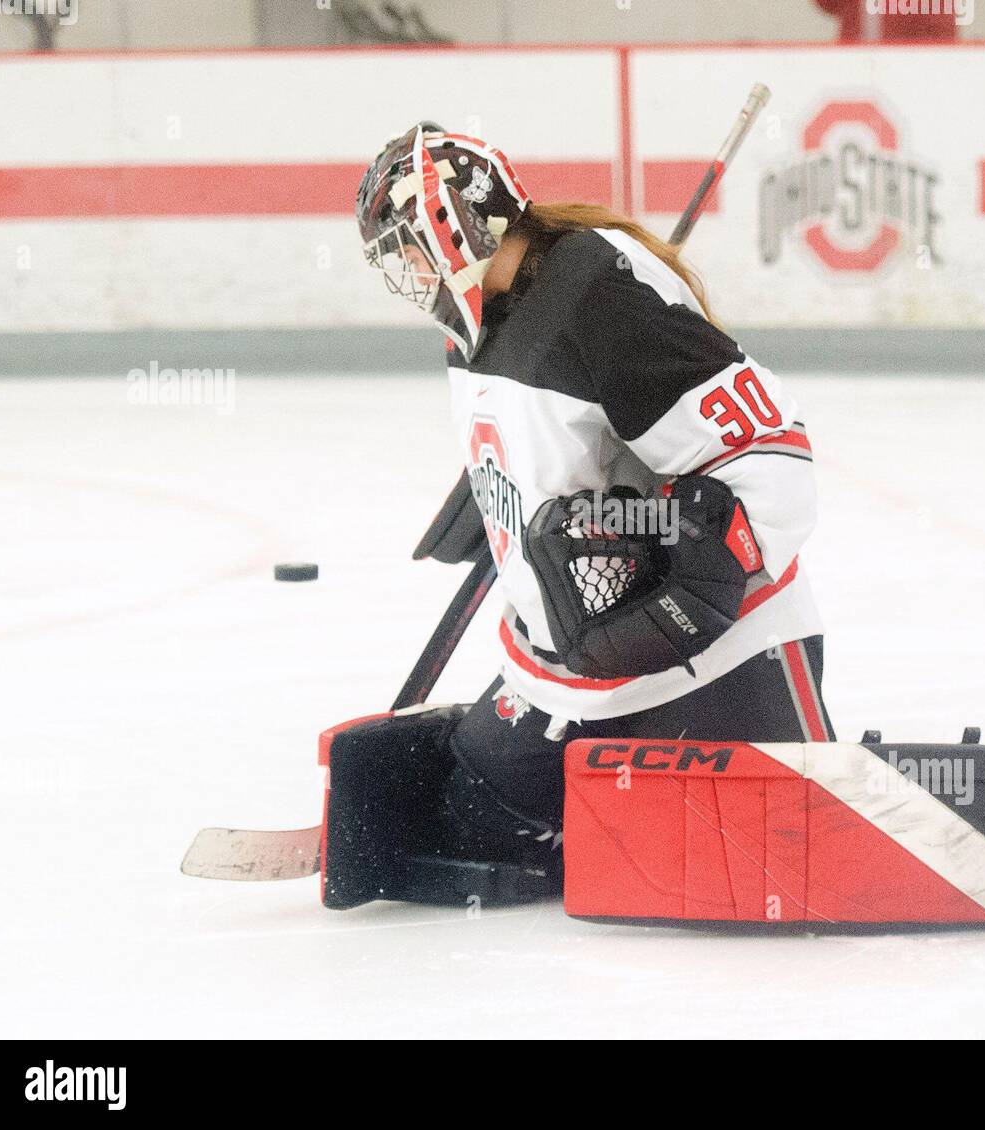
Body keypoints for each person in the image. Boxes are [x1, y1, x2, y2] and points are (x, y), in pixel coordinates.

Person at [354, 122, 834, 893]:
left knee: (763, 869)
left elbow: (772, 463)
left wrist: (686, 591)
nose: (407, 271)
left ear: (459, 227)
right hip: (562, 680)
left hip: (712, 660)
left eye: (409, 243)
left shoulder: (597, 294)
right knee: (462, 829)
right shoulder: (477, 319)